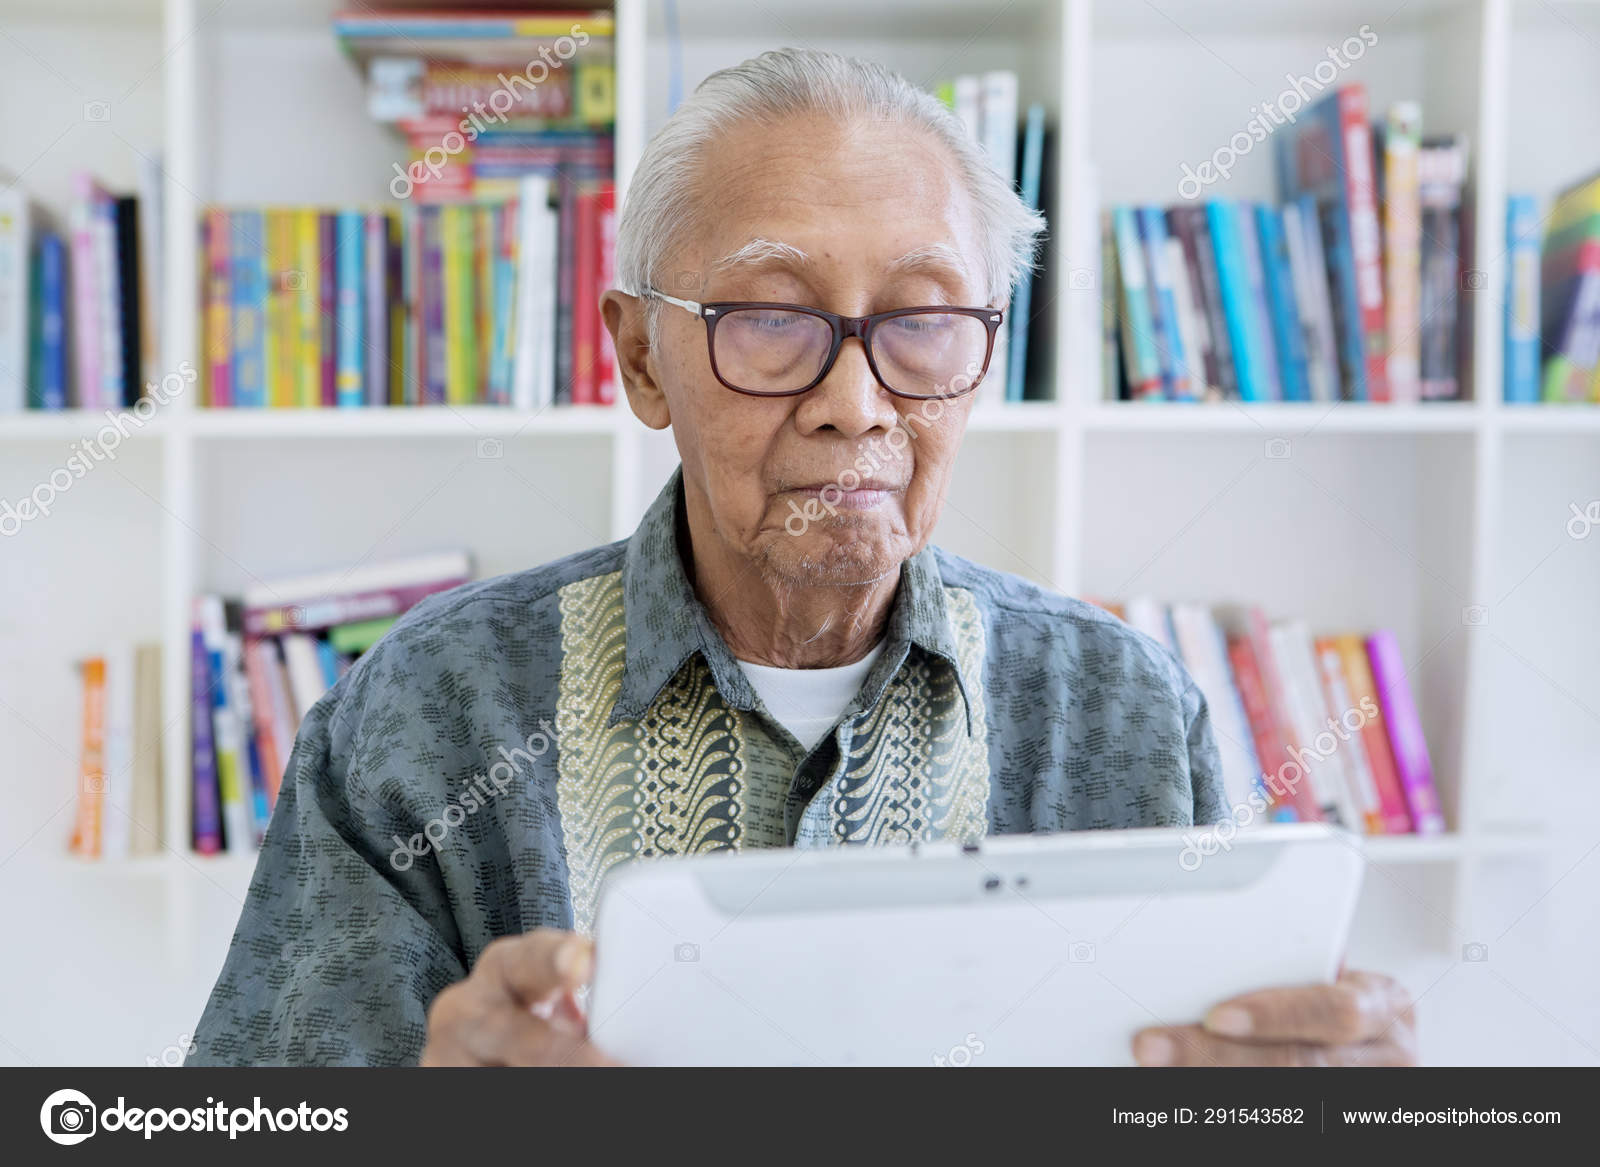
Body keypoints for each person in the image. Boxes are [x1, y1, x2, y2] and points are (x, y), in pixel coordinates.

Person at [190, 48, 1416, 1068]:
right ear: (639, 358)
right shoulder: (428, 708)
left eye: (923, 322)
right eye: (770, 318)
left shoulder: (1123, 706)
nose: (854, 402)